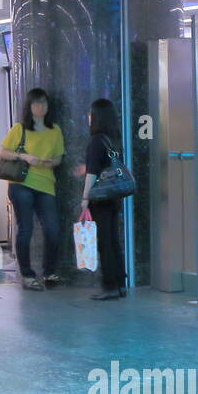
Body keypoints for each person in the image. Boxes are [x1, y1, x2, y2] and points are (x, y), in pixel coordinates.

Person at [0, 87, 65, 290]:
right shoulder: (19, 129)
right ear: (29, 106)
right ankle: (27, 275)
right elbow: (3, 153)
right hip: (21, 183)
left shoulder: (55, 130)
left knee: (53, 229)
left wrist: (50, 162)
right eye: (36, 102)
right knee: (25, 229)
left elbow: (59, 158)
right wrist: (24, 156)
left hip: (46, 183)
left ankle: (50, 272)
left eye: (43, 102)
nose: (40, 106)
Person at [79, 98, 128, 301]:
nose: (88, 117)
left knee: (104, 242)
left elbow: (92, 172)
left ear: (96, 117)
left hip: (99, 197)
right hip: (113, 196)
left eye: (90, 113)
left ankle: (109, 286)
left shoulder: (96, 141)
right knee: (113, 240)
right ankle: (120, 283)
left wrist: (85, 197)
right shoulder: (112, 139)